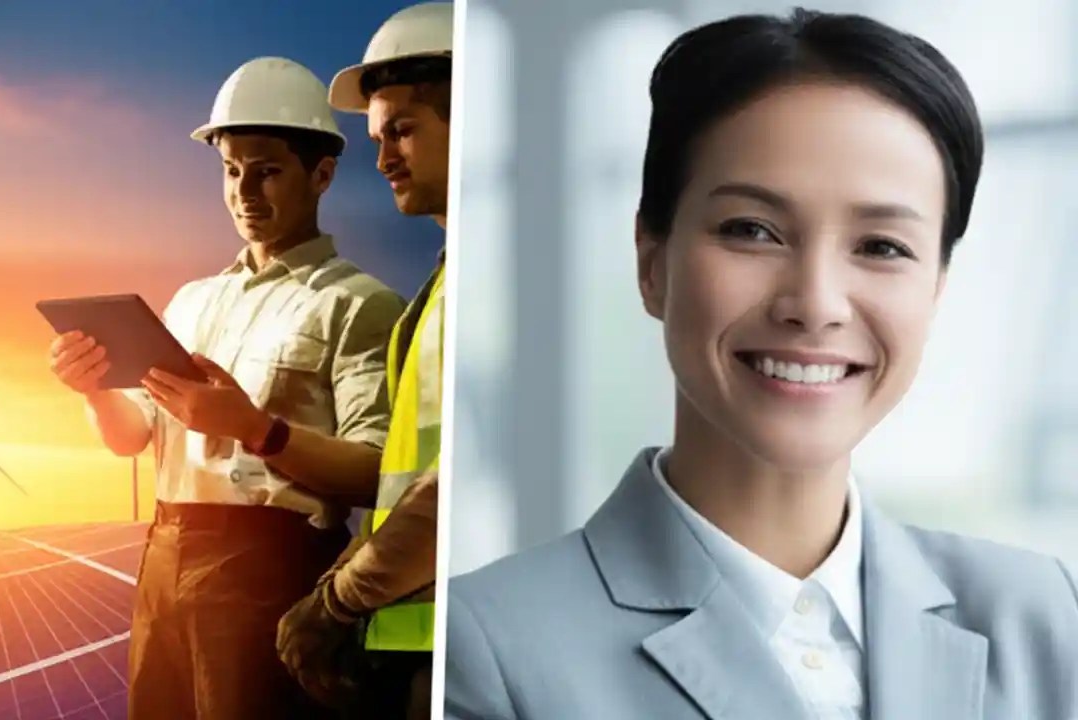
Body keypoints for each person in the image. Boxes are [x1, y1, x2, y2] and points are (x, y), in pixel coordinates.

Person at [444, 8, 1078, 720]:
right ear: (652, 262)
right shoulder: (486, 650)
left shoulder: (1042, 617)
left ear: (936, 290)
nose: (815, 303)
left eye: (881, 247)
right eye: (752, 230)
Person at [47, 56, 406, 719]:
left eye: (267, 170)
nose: (245, 190)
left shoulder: (359, 304)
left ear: (322, 174)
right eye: (231, 170)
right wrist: (93, 389)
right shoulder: (190, 303)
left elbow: (378, 472)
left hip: (273, 569)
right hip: (163, 560)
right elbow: (133, 438)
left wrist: (254, 428)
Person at [274, 3, 453, 718]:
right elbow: (404, 487)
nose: (381, 160)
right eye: (378, 137)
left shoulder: (517, 275)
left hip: (473, 640)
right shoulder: (441, 288)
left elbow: (474, 476)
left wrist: (337, 600)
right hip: (415, 636)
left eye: (403, 131)